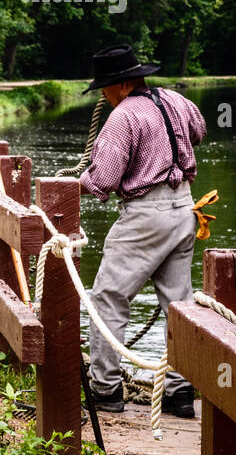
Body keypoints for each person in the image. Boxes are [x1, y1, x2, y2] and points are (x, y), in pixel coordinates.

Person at [78, 44, 206, 418]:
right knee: (178, 304)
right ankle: (180, 392)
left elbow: (103, 179)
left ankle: (105, 388)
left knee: (108, 298)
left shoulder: (122, 117)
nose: (102, 94)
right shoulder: (176, 101)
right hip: (185, 208)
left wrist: (73, 182)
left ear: (118, 85)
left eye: (103, 87)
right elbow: (198, 131)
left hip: (145, 216)